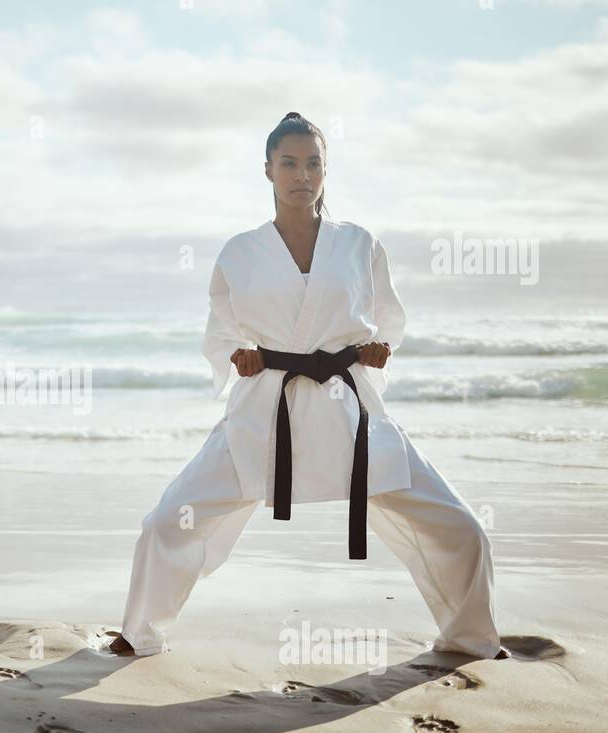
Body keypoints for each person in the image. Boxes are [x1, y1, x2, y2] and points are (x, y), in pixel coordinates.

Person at [110, 112, 508, 661]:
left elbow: (388, 318)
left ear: (326, 170)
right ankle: (139, 632)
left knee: (463, 528)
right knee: (166, 521)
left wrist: (380, 350)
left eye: (314, 163)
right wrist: (237, 356)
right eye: (289, 163)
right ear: (268, 170)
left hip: (350, 412)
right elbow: (221, 327)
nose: (303, 174)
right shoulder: (240, 251)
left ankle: (470, 635)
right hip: (265, 413)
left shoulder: (359, 244)